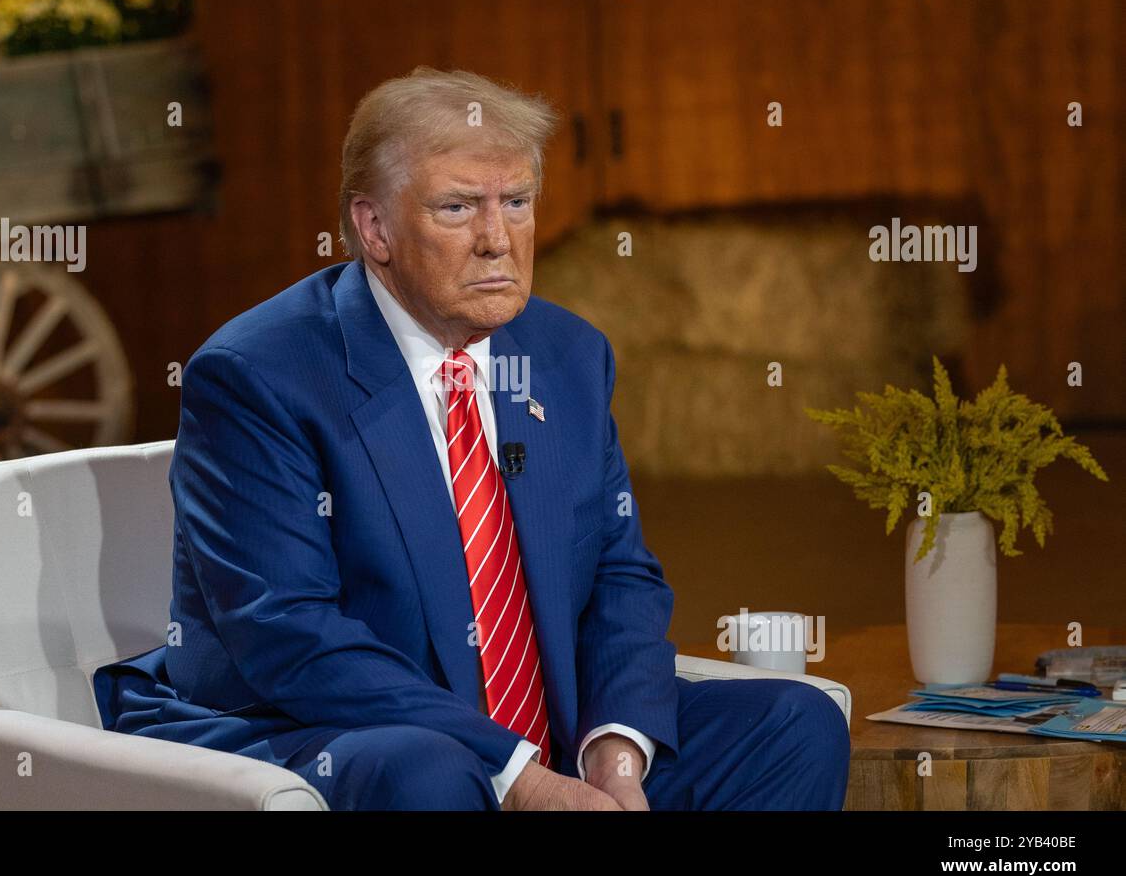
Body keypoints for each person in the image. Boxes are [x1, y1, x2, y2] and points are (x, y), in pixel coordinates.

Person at [93, 66, 850, 810]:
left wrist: (614, 759)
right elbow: (289, 633)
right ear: (375, 228)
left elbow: (620, 577)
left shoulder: (566, 356)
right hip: (333, 733)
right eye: (457, 208)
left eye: (516, 202)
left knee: (794, 725)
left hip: (539, 736)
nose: (497, 240)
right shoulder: (259, 375)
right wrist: (522, 779)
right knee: (432, 773)